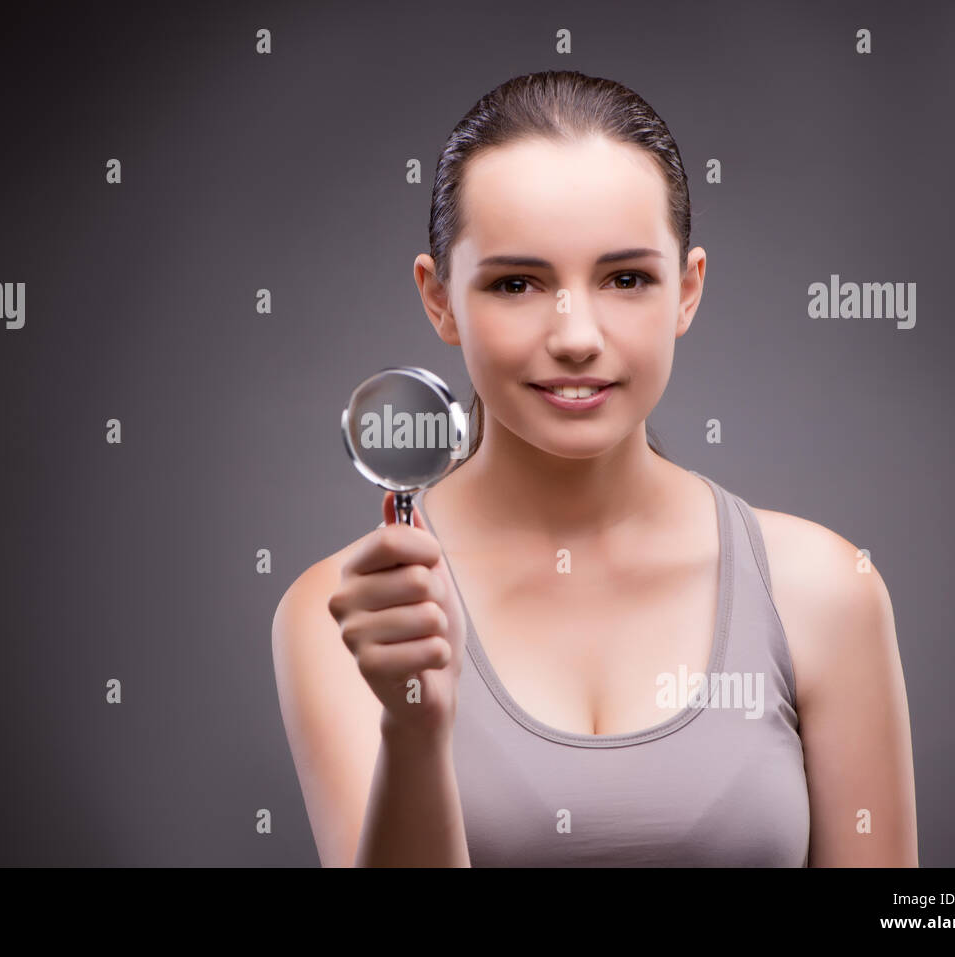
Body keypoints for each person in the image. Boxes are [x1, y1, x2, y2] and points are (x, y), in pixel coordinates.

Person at [272, 70, 918, 867]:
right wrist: (415, 726)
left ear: (687, 290)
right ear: (439, 300)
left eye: (625, 279)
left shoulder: (824, 589)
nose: (576, 336)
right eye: (517, 282)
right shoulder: (343, 614)